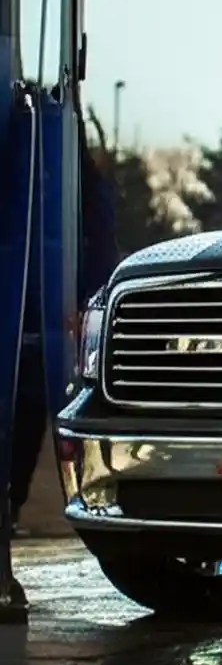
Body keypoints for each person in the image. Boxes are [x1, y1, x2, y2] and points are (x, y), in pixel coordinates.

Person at [8, 105, 116, 535]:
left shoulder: (74, 185)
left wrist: (88, 301)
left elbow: (101, 238)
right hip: (44, 308)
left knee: (36, 402)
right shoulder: (62, 182)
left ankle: (16, 500)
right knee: (33, 403)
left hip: (50, 312)